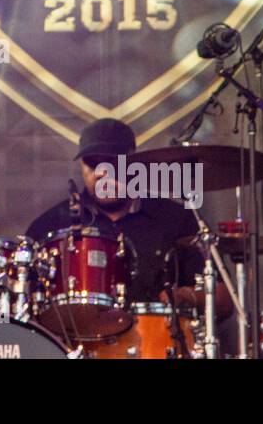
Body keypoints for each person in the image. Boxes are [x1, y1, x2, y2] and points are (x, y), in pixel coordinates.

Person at [25, 118, 233, 318]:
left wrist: (184, 296)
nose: (102, 172)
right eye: (92, 163)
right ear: (81, 166)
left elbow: (224, 300)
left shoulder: (177, 219)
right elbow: (24, 307)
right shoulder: (51, 227)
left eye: (113, 162)